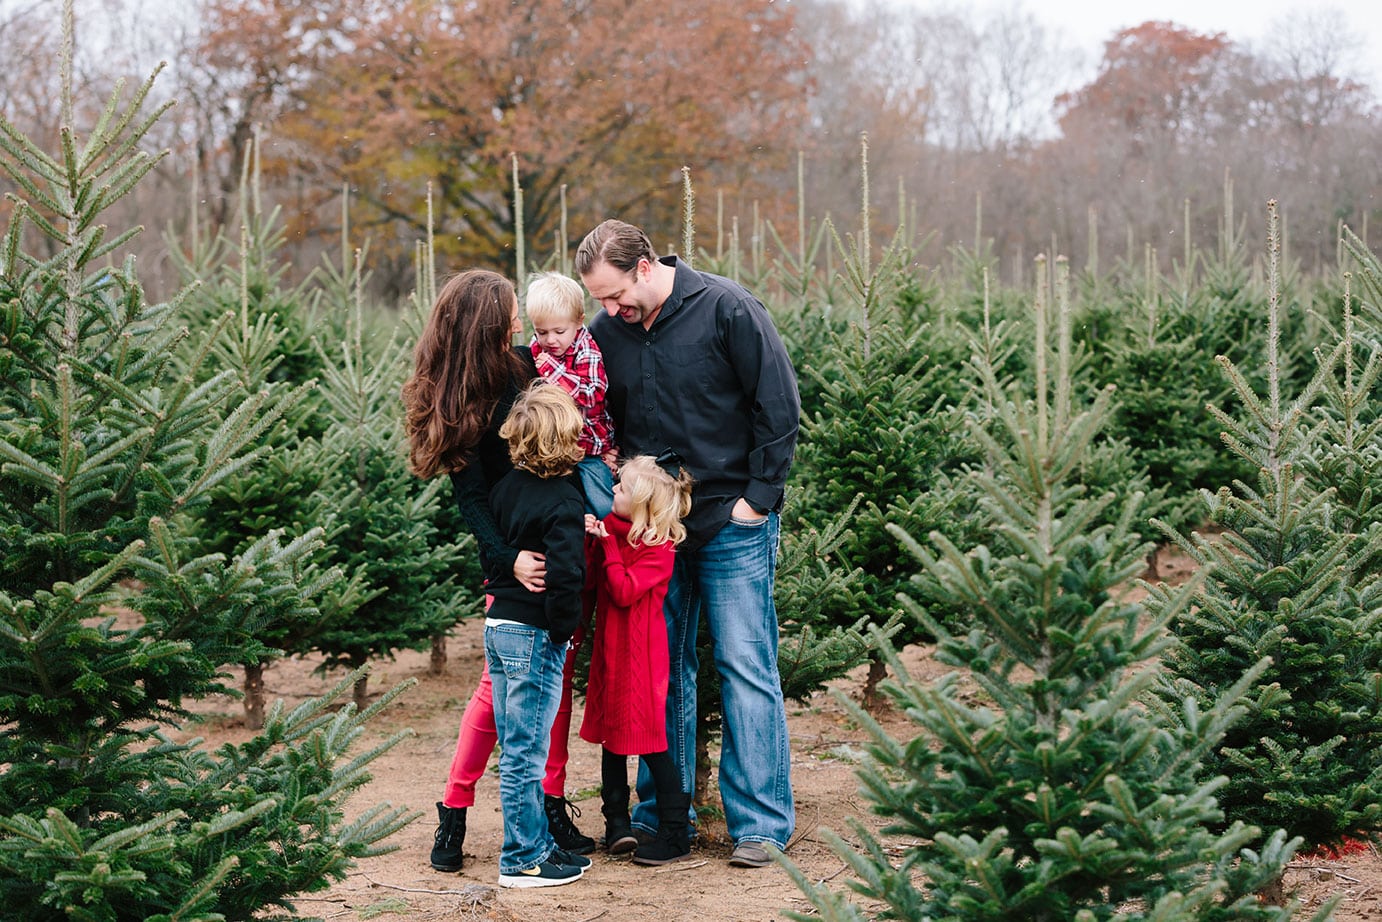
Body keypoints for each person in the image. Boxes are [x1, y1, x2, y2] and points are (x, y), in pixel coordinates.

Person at [576, 219, 800, 869]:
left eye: (613, 294)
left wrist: (757, 501)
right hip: (650, 534)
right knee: (659, 673)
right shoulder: (606, 334)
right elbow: (592, 419)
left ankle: (759, 823)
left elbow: (777, 406)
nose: (608, 309)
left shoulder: (728, 309)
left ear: (645, 266)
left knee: (744, 668)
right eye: (597, 299)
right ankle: (662, 816)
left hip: (730, 521)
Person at [402, 270, 595, 875]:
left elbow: (551, 436)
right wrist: (507, 556)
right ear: (487, 321)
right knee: (500, 690)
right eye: (511, 312)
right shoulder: (457, 395)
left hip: (549, 533)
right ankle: (455, 809)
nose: (518, 321)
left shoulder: (520, 368)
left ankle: (548, 803)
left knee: (542, 687)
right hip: (512, 556)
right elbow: (473, 497)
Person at [483, 381, 592, 888]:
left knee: (515, 743)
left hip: (498, 625)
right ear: (565, 441)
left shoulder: (504, 489)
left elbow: (499, 551)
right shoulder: (564, 501)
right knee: (527, 750)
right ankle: (522, 859)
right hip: (534, 633)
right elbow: (567, 576)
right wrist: (565, 630)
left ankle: (539, 845)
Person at [579, 455, 694, 865]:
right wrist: (595, 541)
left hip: (642, 663)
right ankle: (616, 825)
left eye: (621, 488)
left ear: (643, 505)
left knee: (650, 743)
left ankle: (676, 831)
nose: (613, 492)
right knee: (611, 739)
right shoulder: (613, 529)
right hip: (611, 655)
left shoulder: (659, 550)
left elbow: (624, 591)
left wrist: (607, 544)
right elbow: (596, 582)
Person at [524, 271, 618, 519]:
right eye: (541, 332)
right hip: (556, 447)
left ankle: (611, 540)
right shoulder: (537, 347)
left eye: (558, 331)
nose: (550, 340)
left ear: (578, 322)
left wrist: (553, 372)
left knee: (601, 504)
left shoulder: (586, 349)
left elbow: (592, 394)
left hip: (590, 447)